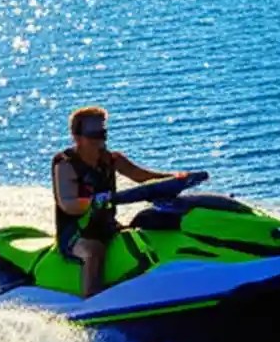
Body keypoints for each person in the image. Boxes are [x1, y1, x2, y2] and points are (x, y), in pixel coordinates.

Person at [52, 106, 184, 298]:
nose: (101, 140)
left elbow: (141, 176)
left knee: (143, 234)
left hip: (107, 227)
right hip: (75, 233)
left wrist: (174, 179)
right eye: (94, 134)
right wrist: (93, 202)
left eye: (103, 133)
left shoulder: (111, 159)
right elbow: (67, 203)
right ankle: (92, 296)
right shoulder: (65, 163)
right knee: (93, 250)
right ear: (77, 136)